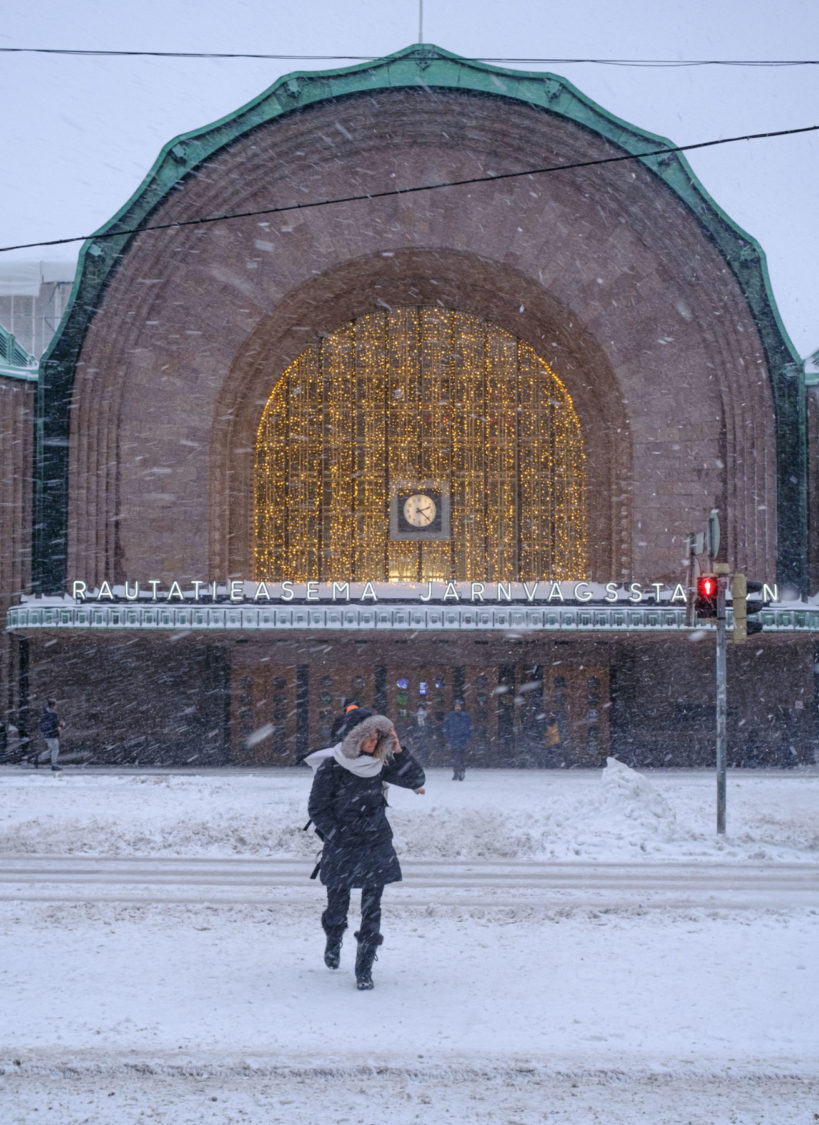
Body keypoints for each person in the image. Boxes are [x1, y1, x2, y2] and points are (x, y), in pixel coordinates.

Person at [305, 714, 425, 990]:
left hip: (375, 844)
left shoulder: (380, 764)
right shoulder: (332, 767)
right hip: (342, 846)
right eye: (368, 737)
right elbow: (317, 809)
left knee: (372, 908)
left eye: (377, 738)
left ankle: (364, 967)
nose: (373, 742)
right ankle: (334, 939)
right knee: (337, 905)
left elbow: (416, 778)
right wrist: (338, 834)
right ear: (353, 738)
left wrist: (398, 749)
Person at [442, 699, 473, 780]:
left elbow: (470, 727)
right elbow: (445, 727)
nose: (458, 708)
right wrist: (448, 737)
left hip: (462, 739)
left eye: (459, 706)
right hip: (454, 739)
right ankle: (456, 772)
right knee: (455, 757)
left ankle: (462, 771)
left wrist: (467, 736)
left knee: (462, 757)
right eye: (456, 706)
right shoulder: (450, 716)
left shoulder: (466, 716)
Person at [38, 699, 65, 772]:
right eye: (55, 705)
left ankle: (38, 759)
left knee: (51, 750)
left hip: (48, 734)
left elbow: (51, 723)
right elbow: (53, 724)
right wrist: (60, 725)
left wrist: (59, 724)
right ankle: (54, 765)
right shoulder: (52, 714)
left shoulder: (47, 713)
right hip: (51, 734)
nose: (56, 706)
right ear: (52, 706)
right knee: (55, 749)